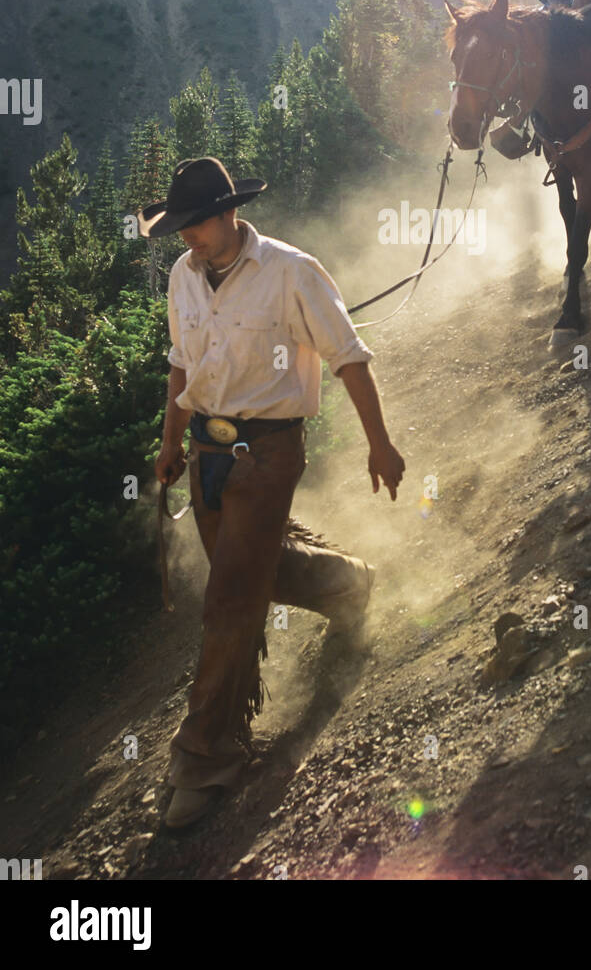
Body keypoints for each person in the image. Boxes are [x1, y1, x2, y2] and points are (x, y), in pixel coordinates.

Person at [137, 156, 405, 829]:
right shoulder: (183, 278)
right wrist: (170, 443)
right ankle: (347, 583)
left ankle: (206, 758)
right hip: (205, 452)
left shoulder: (291, 271)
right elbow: (179, 365)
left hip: (269, 452)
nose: (188, 238)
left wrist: (380, 443)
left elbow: (348, 357)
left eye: (196, 224)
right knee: (256, 571)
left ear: (230, 214)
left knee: (229, 595)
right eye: (181, 228)